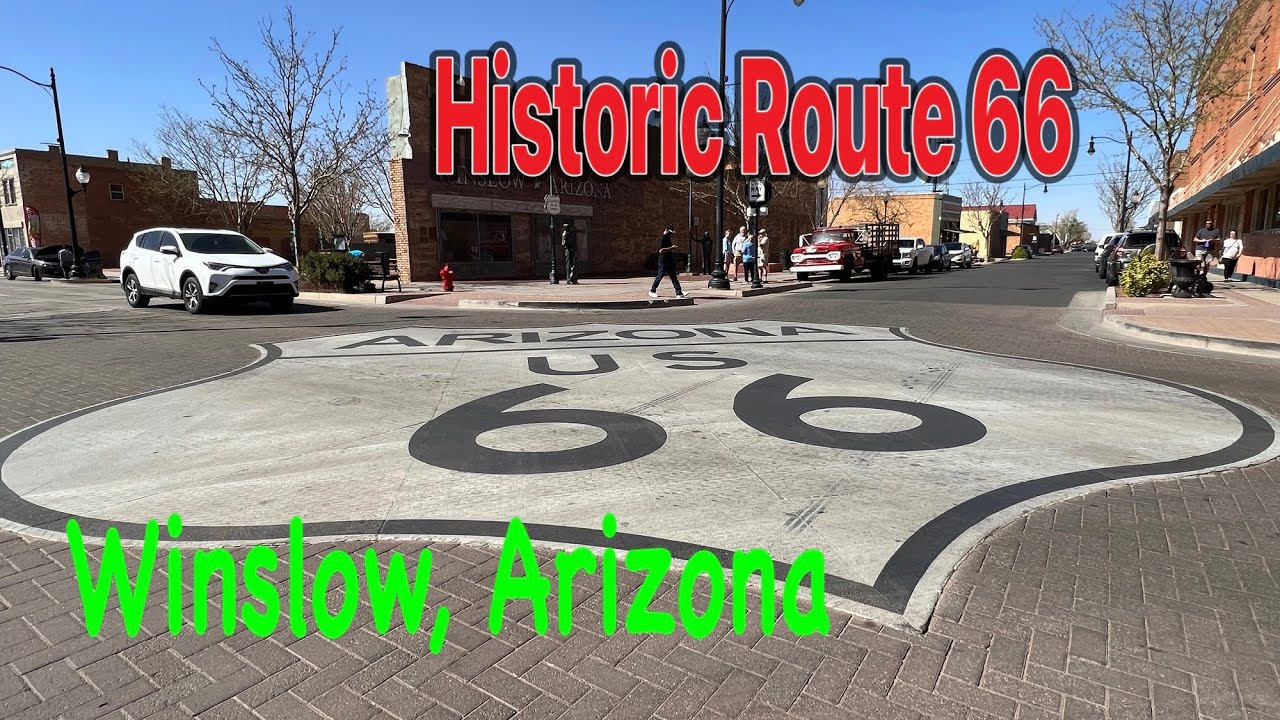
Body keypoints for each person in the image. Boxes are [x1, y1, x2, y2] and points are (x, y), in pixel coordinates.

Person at [649, 226, 688, 298]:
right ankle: (652, 290)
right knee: (660, 275)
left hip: (669, 260)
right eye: (670, 232)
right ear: (666, 230)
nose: (671, 234)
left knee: (673, 277)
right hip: (663, 261)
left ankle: (679, 292)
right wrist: (671, 248)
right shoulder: (662, 238)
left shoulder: (668, 238)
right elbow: (661, 250)